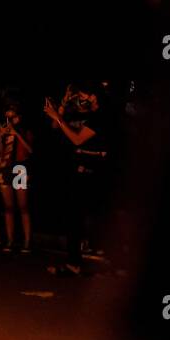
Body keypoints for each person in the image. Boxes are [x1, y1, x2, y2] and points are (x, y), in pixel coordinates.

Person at [43, 84, 107, 276]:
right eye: (77, 96)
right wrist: (61, 106)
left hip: (92, 173)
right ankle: (73, 262)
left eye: (82, 95)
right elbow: (55, 126)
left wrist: (58, 117)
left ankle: (100, 258)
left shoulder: (101, 117)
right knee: (73, 218)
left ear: (94, 97)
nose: (79, 99)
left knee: (92, 215)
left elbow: (77, 139)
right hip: (75, 172)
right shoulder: (76, 114)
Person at [0, 104, 33, 252]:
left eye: (13, 117)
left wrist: (16, 133)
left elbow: (30, 150)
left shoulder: (24, 130)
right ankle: (10, 240)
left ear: (19, 117)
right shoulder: (3, 129)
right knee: (8, 207)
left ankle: (27, 241)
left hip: (20, 168)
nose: (10, 120)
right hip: (6, 168)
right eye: (8, 117)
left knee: (23, 206)